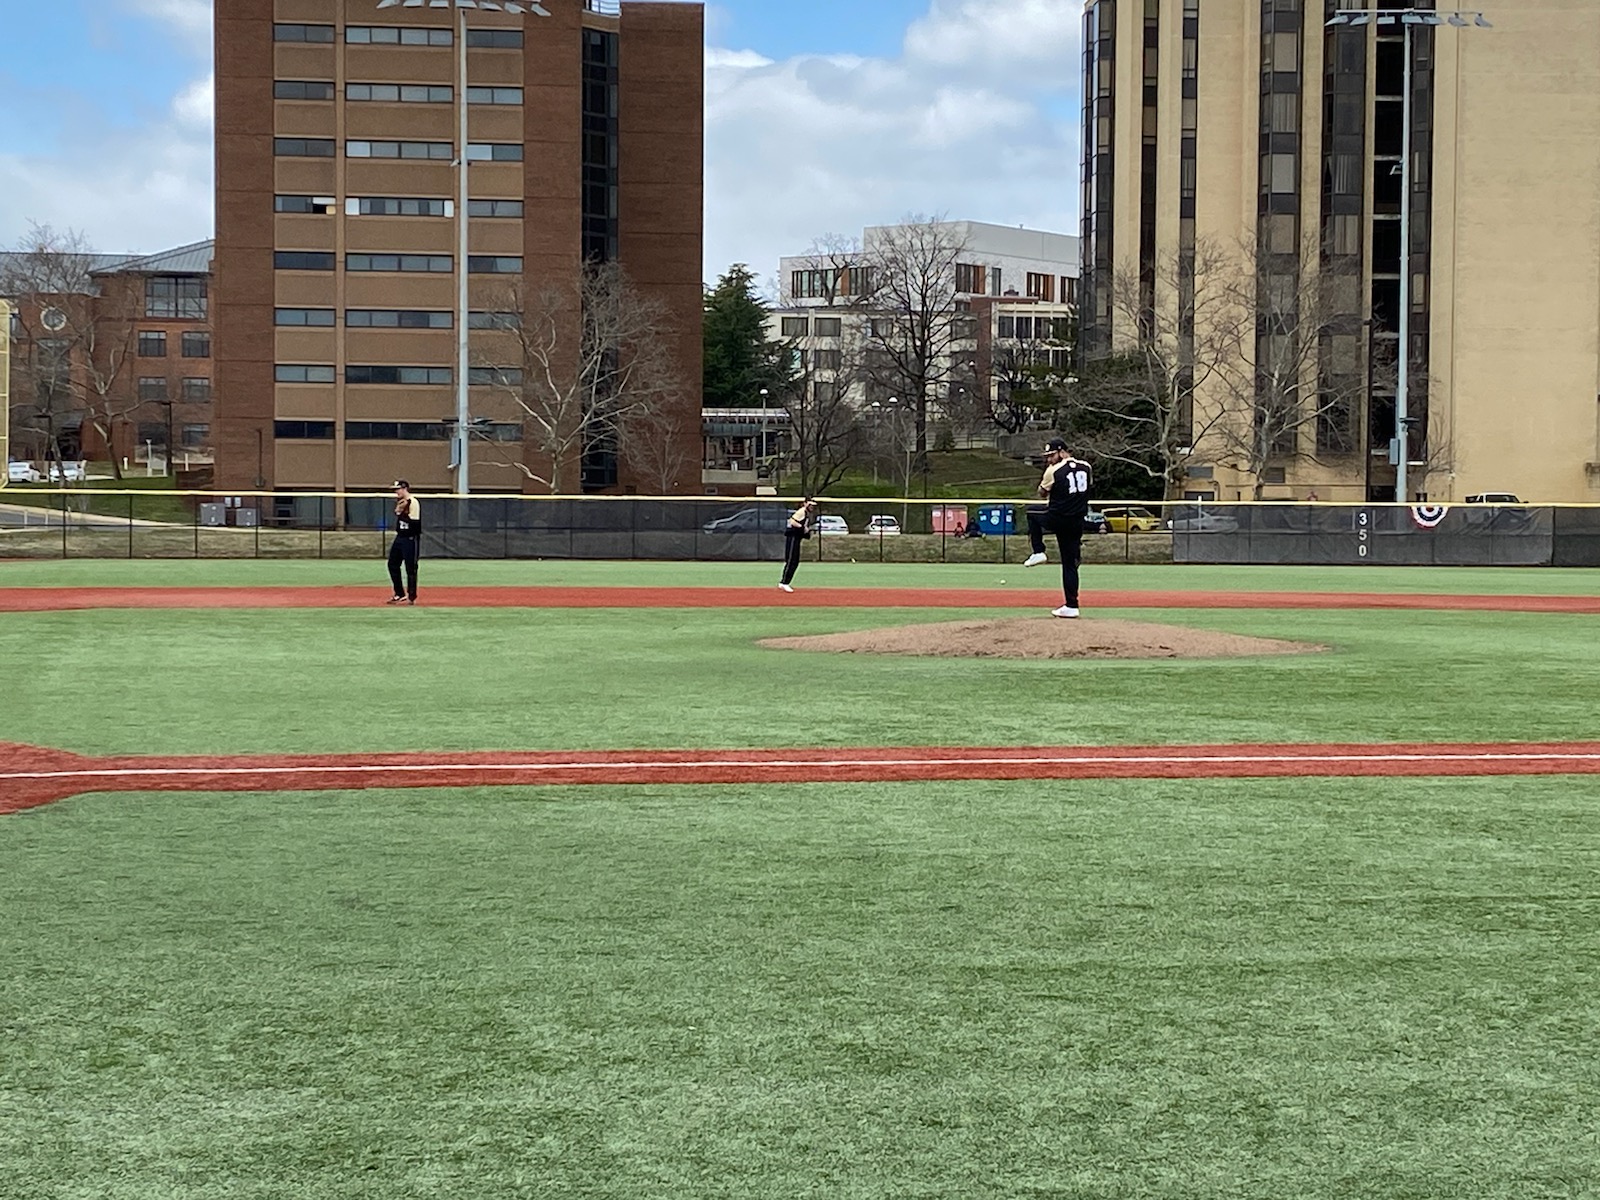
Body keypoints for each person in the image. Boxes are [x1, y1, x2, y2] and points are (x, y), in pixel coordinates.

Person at [1021, 437, 1092, 618]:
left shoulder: (1053, 470)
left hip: (1058, 517)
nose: (1049, 459)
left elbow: (1042, 493)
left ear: (1062, 452)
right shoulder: (1086, 466)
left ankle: (1038, 551)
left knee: (1032, 513)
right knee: (1070, 564)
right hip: (1077, 521)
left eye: (1051, 455)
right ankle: (1071, 605)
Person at [386, 480, 422, 605]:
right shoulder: (401, 502)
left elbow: (416, 525)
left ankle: (411, 596)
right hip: (400, 537)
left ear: (404, 488)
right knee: (392, 564)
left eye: (398, 489)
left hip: (410, 539)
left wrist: (402, 514)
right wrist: (399, 512)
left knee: (410, 568)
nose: (396, 492)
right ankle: (399, 593)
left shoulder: (413, 502)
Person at [778, 496, 818, 592]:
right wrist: (802, 528)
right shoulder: (802, 511)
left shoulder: (807, 514)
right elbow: (792, 521)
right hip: (793, 537)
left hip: (796, 538)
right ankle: (784, 582)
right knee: (792, 560)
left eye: (813, 505)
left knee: (794, 561)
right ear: (805, 504)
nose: (812, 507)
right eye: (810, 504)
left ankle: (785, 582)